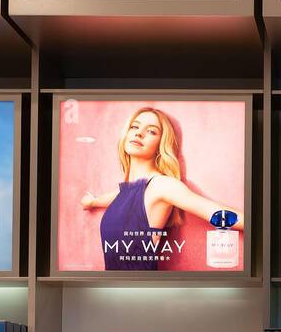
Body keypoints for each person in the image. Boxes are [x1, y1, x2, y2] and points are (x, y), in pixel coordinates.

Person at [81, 107, 244, 271]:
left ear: (161, 144)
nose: (139, 133)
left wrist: (260, 225)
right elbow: (115, 197)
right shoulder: (126, 192)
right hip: (112, 291)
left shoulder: (162, 186)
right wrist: (92, 202)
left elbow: (216, 213)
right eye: (134, 127)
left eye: (151, 131)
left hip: (141, 291)